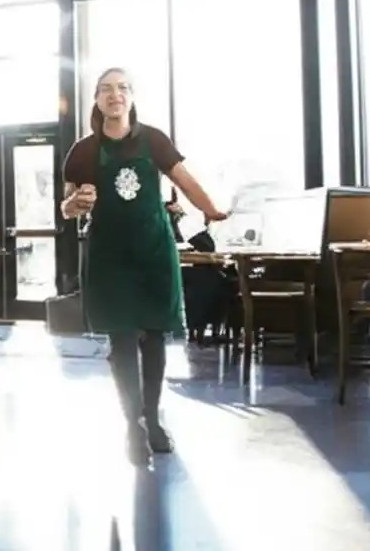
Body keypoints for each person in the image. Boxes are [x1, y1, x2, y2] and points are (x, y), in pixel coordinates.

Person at [62, 68, 228, 466]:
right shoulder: (83, 150)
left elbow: (185, 180)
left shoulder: (153, 140)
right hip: (109, 256)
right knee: (120, 343)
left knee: (154, 340)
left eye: (121, 88)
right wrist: (75, 205)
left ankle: (152, 419)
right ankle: (132, 425)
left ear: (132, 97)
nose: (114, 95)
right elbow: (67, 206)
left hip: (153, 252)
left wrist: (212, 210)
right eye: (106, 89)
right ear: (97, 100)